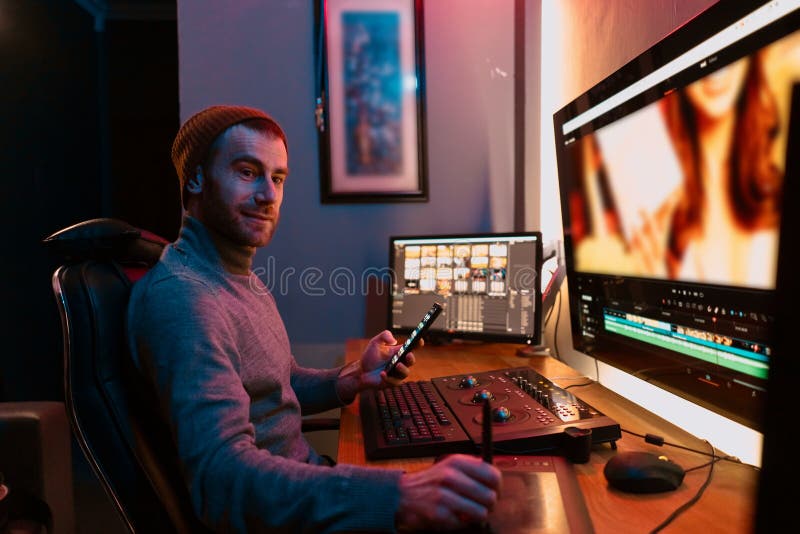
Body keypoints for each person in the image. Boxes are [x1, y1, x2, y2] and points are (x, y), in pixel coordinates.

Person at [126, 105, 501, 533]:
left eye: (278, 178)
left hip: (306, 491)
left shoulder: (239, 280)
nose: (268, 194)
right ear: (195, 179)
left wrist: (351, 378)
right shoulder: (184, 298)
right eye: (247, 172)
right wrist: (399, 495)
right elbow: (221, 480)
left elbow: (274, 386)